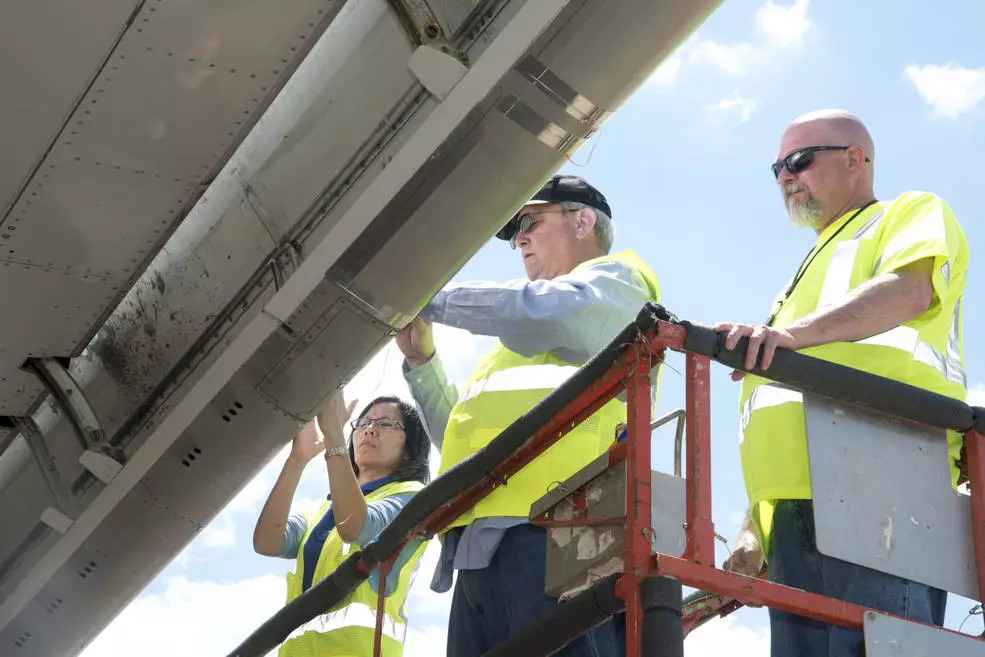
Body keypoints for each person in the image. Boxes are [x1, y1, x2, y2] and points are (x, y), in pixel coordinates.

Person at [715, 109, 969, 656]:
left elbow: (909, 292)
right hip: (795, 514)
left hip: (882, 479)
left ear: (855, 160)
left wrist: (790, 335)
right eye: (777, 168)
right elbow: (775, 408)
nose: (785, 176)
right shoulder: (804, 274)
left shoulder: (910, 212)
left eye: (799, 160)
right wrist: (754, 527)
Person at [396, 174, 661, 657]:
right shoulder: (509, 348)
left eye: (531, 222)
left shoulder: (619, 284)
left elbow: (547, 314)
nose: (518, 239)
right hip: (483, 550)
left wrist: (424, 296)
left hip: (563, 533)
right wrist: (422, 363)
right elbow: (459, 438)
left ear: (583, 222)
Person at [253, 391, 432, 657]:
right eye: (362, 424)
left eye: (385, 424)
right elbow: (266, 542)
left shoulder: (412, 495)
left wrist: (334, 438)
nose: (370, 430)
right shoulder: (321, 510)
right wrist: (298, 459)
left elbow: (355, 527)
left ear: (409, 450)